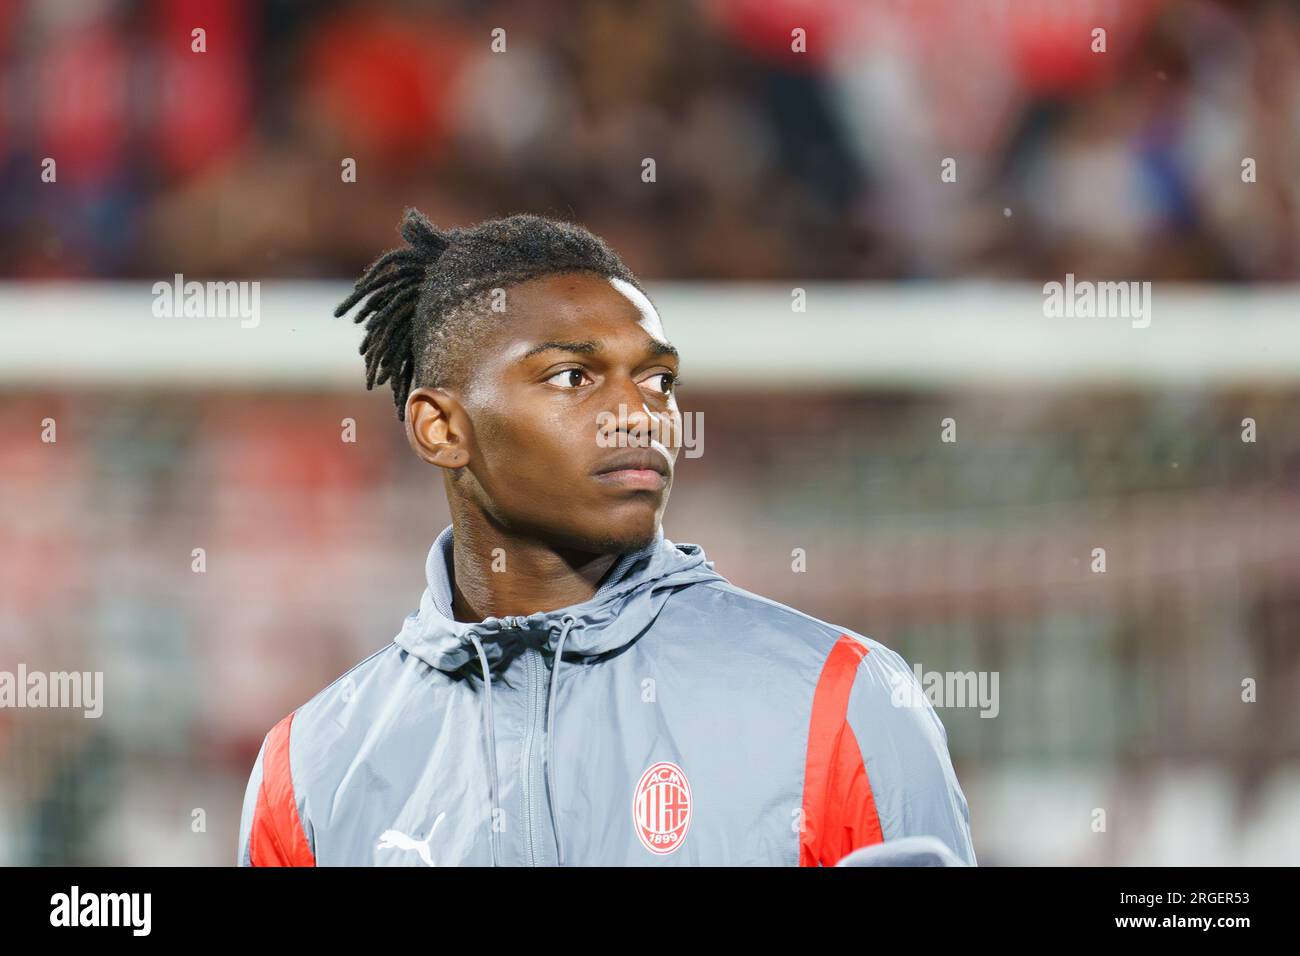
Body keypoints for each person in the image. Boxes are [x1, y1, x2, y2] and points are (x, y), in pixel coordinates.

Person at [237, 208, 976, 866]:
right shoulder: (310, 770)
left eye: (657, 381)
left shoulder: (841, 698)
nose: (639, 414)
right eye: (571, 377)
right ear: (442, 427)